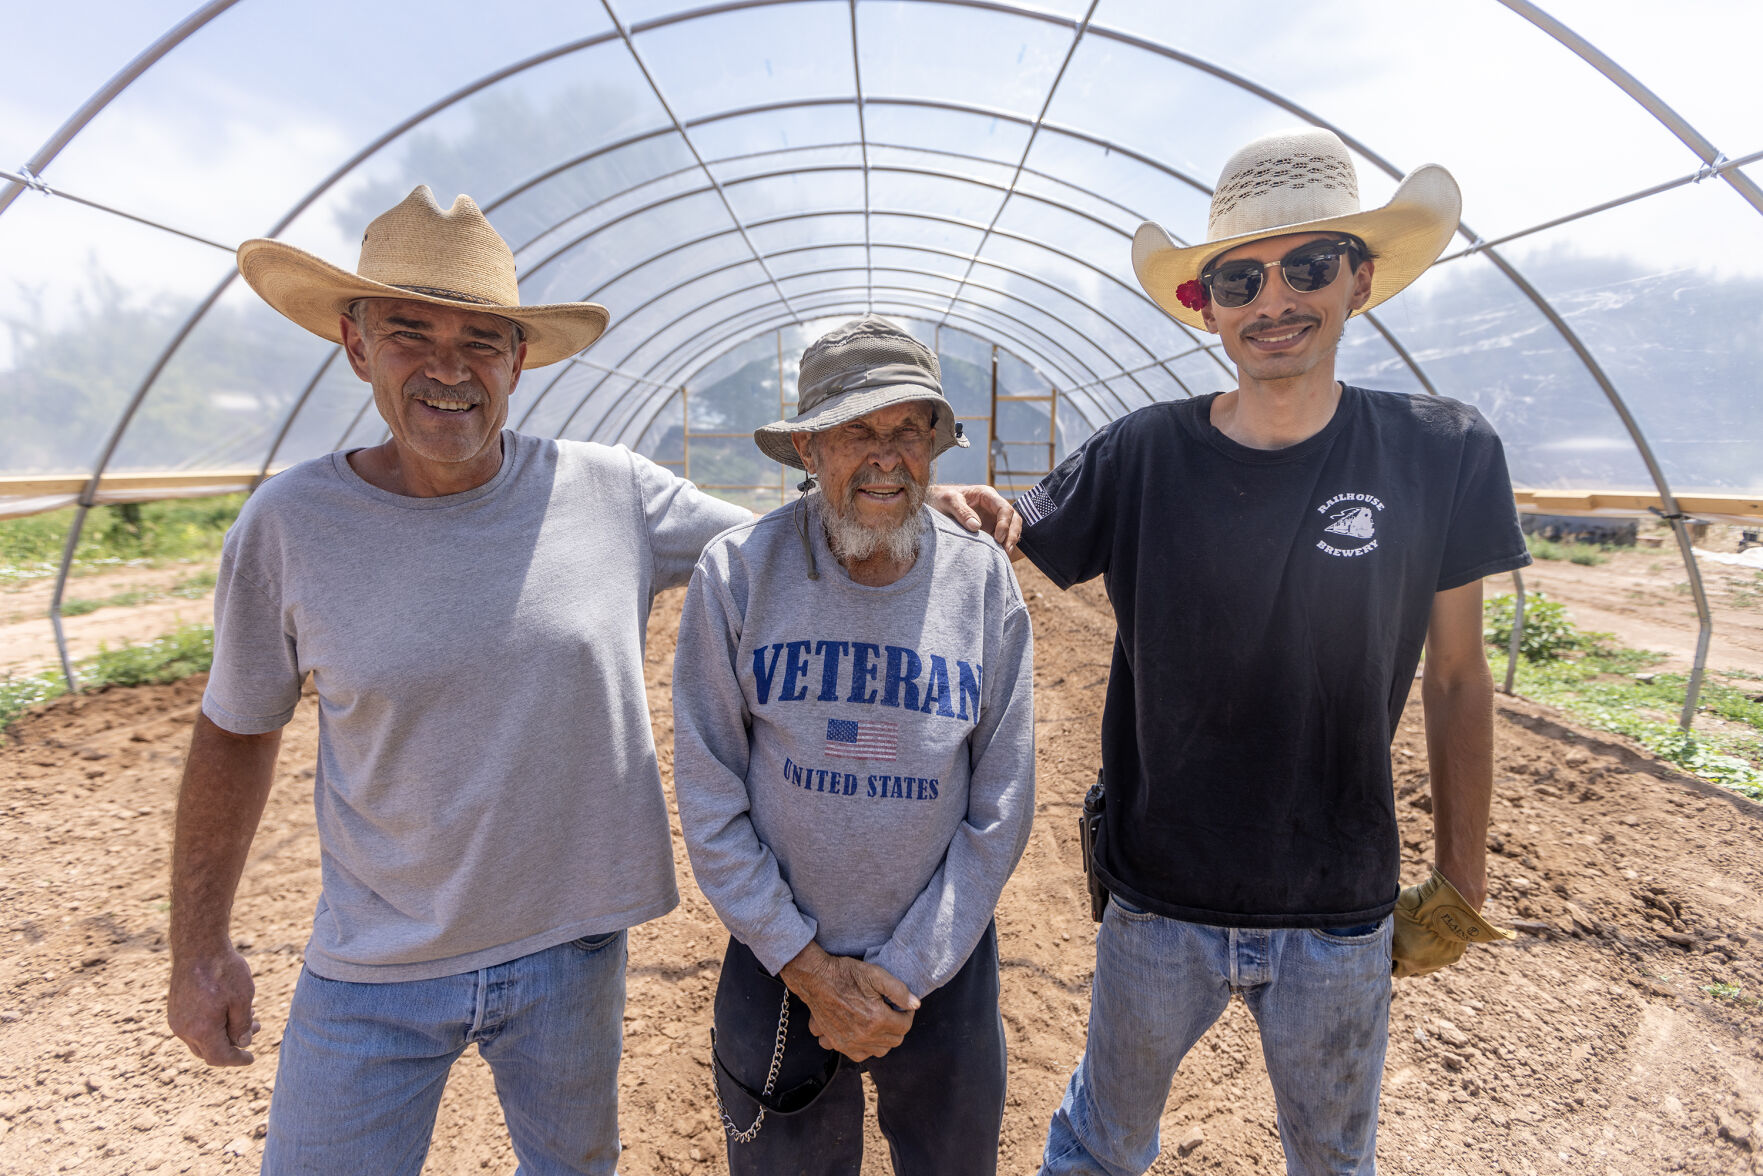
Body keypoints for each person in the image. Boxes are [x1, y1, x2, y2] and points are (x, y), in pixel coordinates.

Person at [962, 128, 1529, 1175]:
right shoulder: (1140, 454)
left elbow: (1456, 676)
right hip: (1157, 898)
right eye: (1239, 277)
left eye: (1308, 266)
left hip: (1336, 908)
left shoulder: (1439, 452)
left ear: (1358, 281)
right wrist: (955, 503)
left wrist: (1460, 878)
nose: (1274, 300)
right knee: (1097, 1146)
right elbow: (1007, 528)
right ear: (1204, 304)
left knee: (1330, 1159)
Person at [163, 185, 759, 1174]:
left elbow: (779, 548)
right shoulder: (290, 527)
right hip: (372, 968)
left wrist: (903, 491)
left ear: (518, 359)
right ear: (355, 345)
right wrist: (196, 950)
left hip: (569, 952)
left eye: (481, 340)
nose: (449, 369)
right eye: (408, 332)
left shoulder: (611, 493)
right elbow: (234, 730)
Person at [671, 316, 1036, 1175]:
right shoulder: (738, 576)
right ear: (807, 449)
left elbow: (1003, 801)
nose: (885, 456)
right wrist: (804, 966)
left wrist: (908, 971)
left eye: (906, 430)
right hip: (778, 960)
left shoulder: (980, 582)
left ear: (933, 446)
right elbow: (710, 793)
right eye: (856, 431)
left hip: (940, 968)